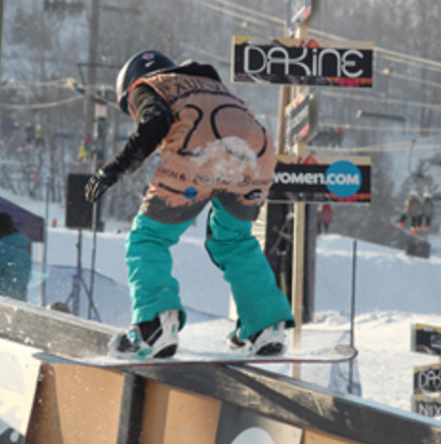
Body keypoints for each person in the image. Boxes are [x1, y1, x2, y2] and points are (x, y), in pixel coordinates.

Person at [84, 49, 294, 359]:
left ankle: (154, 326)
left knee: (149, 238)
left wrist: (113, 169)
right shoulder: (212, 86)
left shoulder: (149, 86)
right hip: (257, 153)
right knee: (234, 240)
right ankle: (265, 327)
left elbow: (155, 122)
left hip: (200, 150)